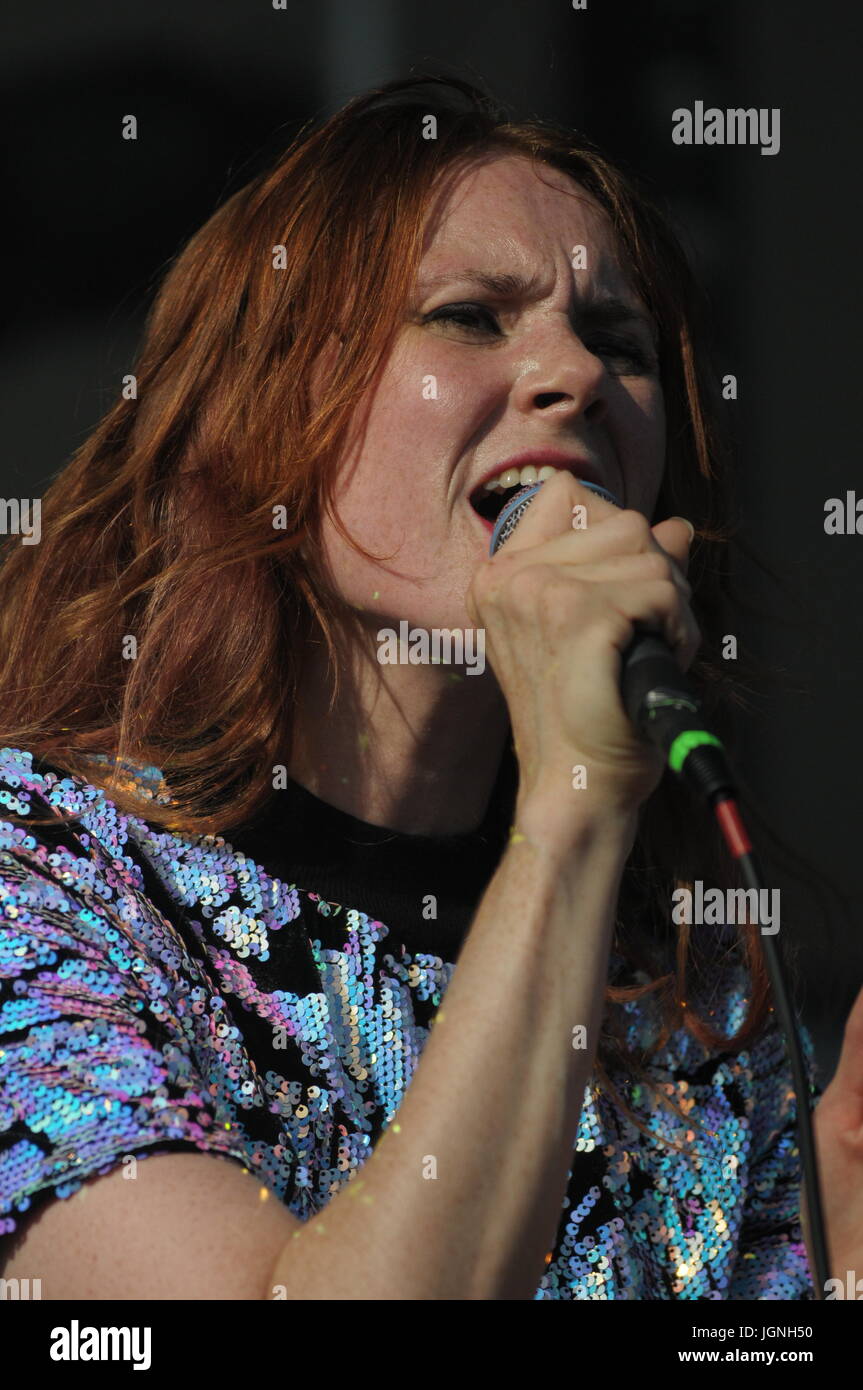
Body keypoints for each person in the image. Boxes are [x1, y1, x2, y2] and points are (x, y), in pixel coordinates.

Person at [0, 74, 860, 1301]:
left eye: (619, 342)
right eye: (469, 317)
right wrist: (571, 801)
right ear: (254, 417)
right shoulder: (44, 880)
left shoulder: (686, 983)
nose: (575, 375)